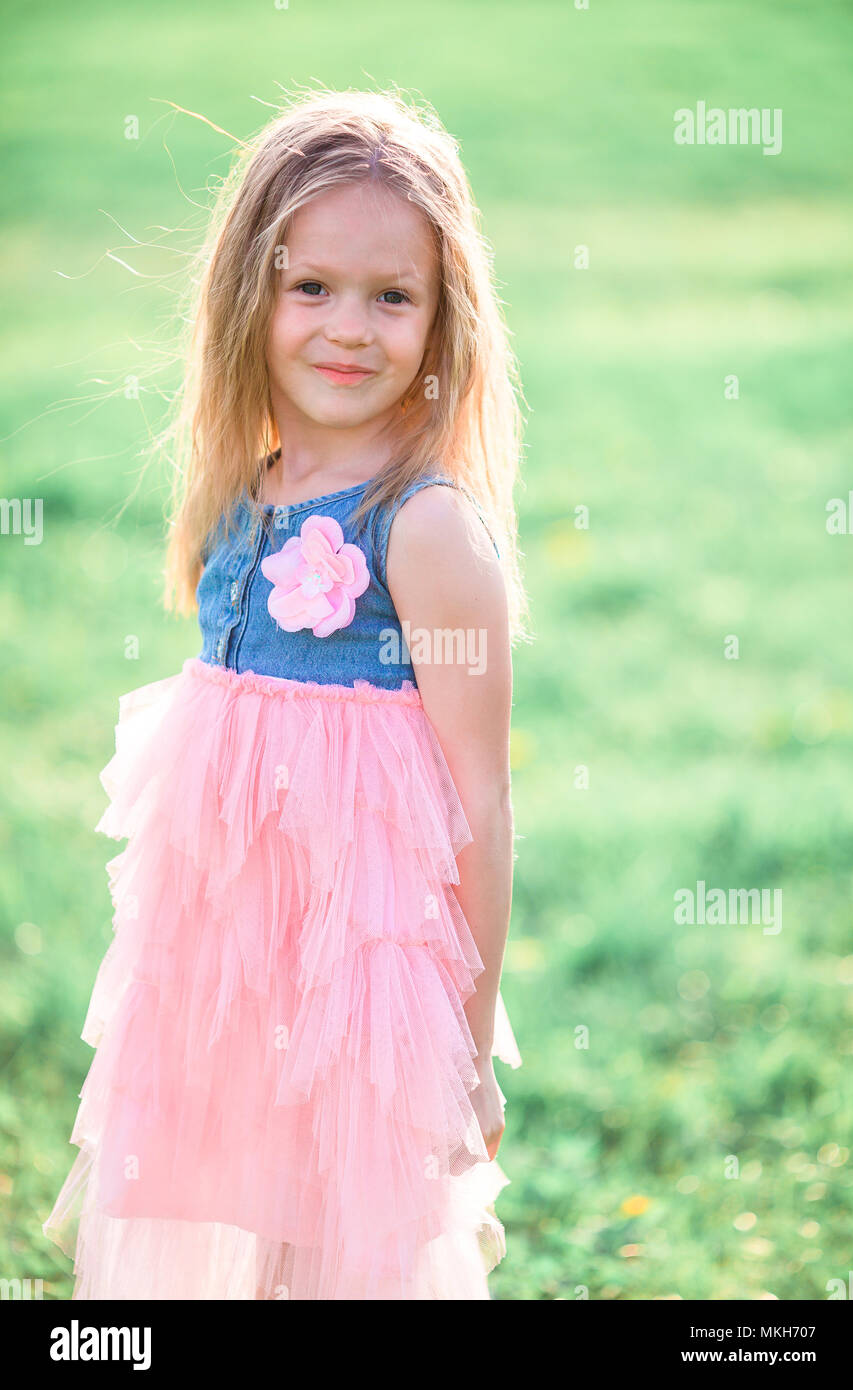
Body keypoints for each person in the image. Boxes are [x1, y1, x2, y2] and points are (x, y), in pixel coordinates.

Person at [43, 86, 528, 1300]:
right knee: (227, 1241)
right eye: (311, 286)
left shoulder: (424, 532)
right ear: (247, 295)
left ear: (443, 315)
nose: (348, 328)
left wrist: (463, 1050)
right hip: (222, 983)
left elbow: (479, 798)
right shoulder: (240, 496)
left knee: (335, 1257)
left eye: (392, 295)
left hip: (355, 1002)